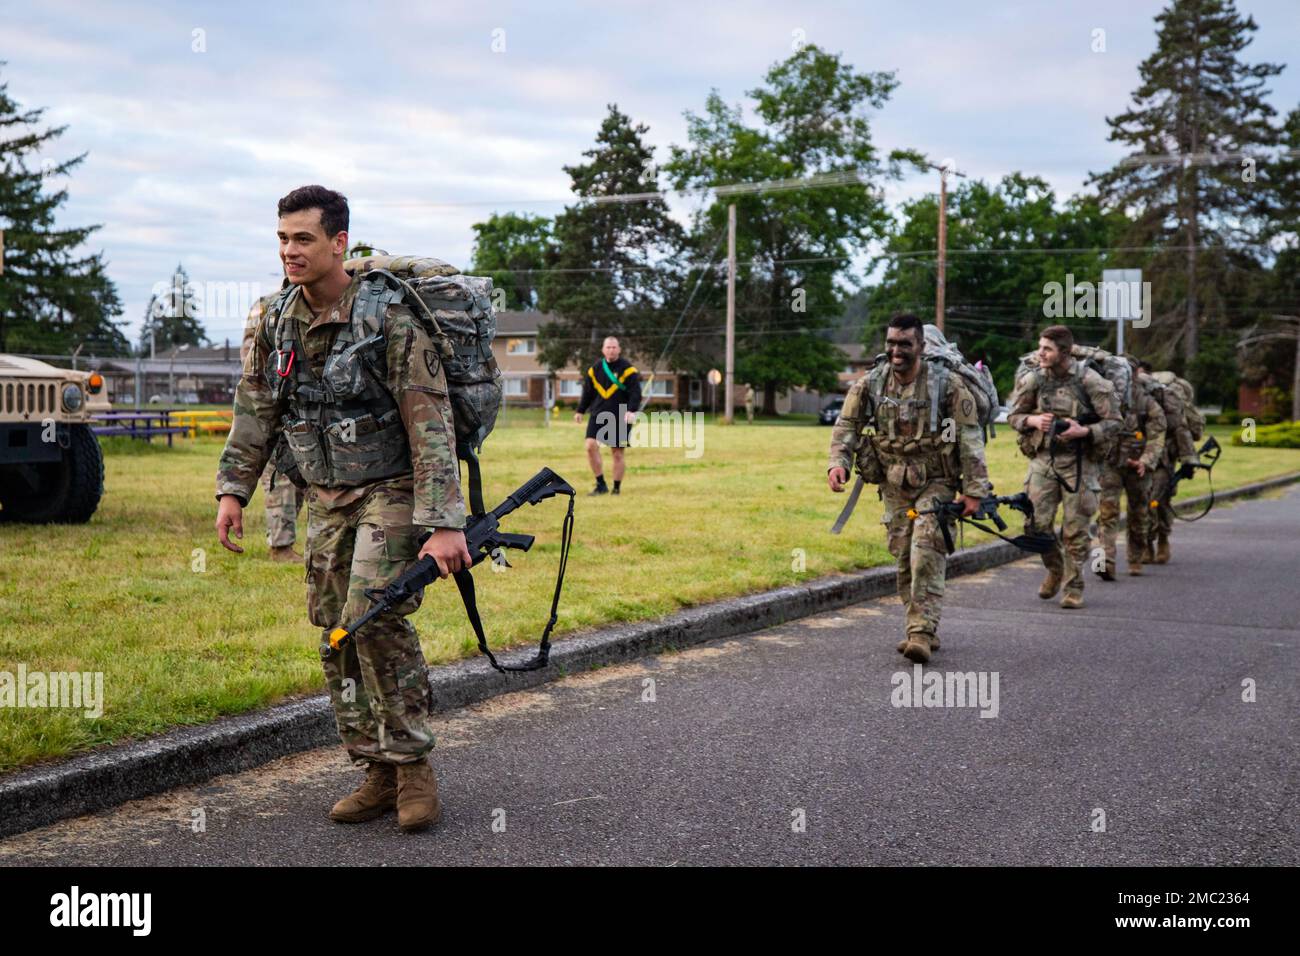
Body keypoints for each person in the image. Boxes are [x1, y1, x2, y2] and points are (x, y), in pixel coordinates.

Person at [214, 185, 470, 833]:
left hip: (392, 488)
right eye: (281, 238)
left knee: (374, 615)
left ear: (339, 242)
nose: (289, 251)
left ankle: (413, 766)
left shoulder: (388, 316)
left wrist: (444, 524)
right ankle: (374, 768)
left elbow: (429, 420)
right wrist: (232, 491)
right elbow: (257, 410)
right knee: (333, 630)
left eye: (303, 238)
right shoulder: (275, 319)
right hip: (325, 495)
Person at [827, 313, 991, 663]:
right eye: (891, 343)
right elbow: (847, 426)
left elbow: (969, 437)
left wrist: (975, 489)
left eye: (904, 344)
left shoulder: (946, 385)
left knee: (925, 548)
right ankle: (922, 624)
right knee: (903, 556)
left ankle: (920, 632)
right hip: (894, 483)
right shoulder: (871, 383)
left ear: (920, 346)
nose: (896, 350)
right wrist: (838, 464)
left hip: (937, 481)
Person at [1007, 325, 1120, 609]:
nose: (1040, 353)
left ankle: (1074, 586)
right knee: (1035, 525)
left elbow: (1116, 422)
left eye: (1047, 348)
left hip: (1080, 463)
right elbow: (1013, 415)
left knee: (1076, 528)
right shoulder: (1034, 379)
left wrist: (1084, 431)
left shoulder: (1089, 380)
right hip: (1044, 460)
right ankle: (1055, 568)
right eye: (1040, 346)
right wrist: (1033, 421)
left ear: (1065, 353)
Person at [242, 284, 304, 563]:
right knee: (281, 475)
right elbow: (252, 357)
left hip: (306, 406)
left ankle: (289, 541)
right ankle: (280, 546)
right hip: (278, 403)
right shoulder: (268, 305)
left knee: (303, 478)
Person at [1093, 360, 1165, 579]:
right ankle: (1106, 561)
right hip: (1111, 464)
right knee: (1107, 513)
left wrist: (1146, 460)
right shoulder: (1103, 396)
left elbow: (1157, 432)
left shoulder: (1145, 402)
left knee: (1139, 514)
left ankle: (1135, 558)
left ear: (1132, 375)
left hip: (1138, 468)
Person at [1137, 360, 1197, 564]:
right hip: (1136, 458)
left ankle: (1162, 538)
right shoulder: (1126, 396)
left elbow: (1181, 429)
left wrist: (1188, 459)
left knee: (1158, 501)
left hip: (1162, 459)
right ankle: (1146, 543)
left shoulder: (1164, 398)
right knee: (1141, 503)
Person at [574, 336, 641, 496]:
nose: (611, 350)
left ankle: (616, 489)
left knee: (617, 452)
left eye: (614, 347)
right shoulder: (594, 369)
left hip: (620, 415)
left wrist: (632, 410)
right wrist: (580, 410)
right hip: (597, 414)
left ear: (619, 349)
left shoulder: (628, 369)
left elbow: (635, 393)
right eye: (608, 347)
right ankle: (601, 484)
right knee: (590, 446)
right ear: (603, 349)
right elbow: (588, 393)